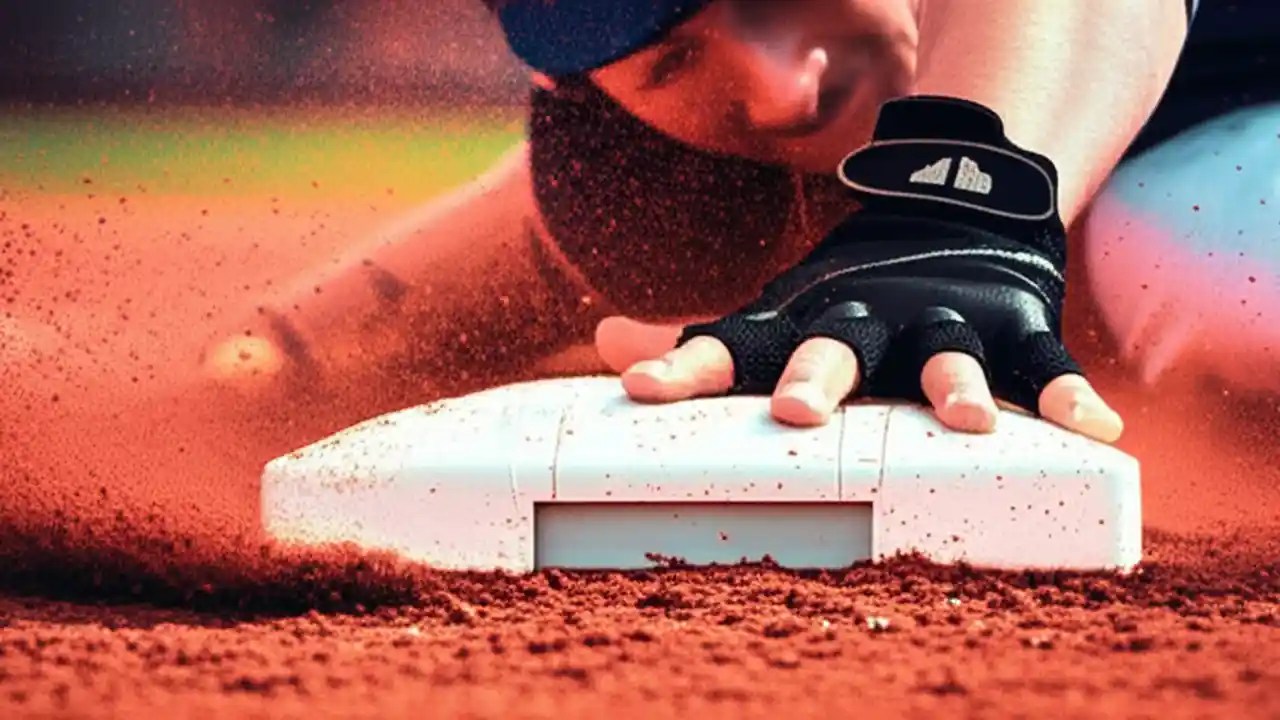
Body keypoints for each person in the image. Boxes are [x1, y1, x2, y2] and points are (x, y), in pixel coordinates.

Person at [199, 0, 1276, 455]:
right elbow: (297, 355)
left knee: (1165, 234)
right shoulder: (662, 180)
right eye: (670, 61)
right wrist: (255, 371)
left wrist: (952, 217)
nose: (777, 93)